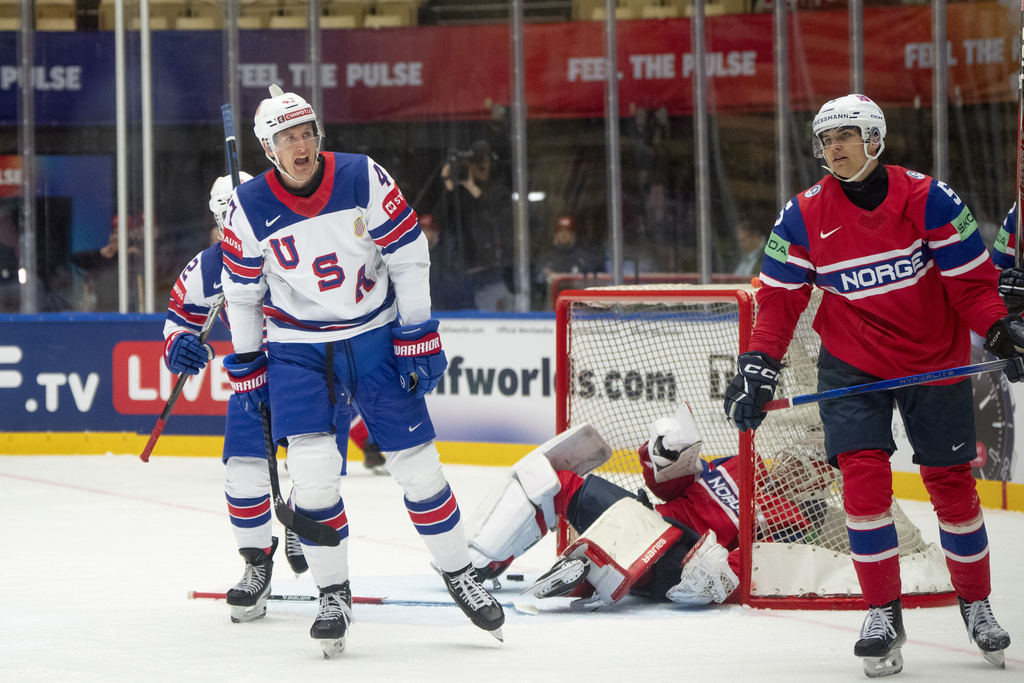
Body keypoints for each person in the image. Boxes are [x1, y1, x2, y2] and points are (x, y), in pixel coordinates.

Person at [721, 94, 1016, 677]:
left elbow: (973, 286)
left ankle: (976, 604)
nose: (834, 148)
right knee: (862, 485)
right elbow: (778, 302)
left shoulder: (929, 198)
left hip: (933, 358)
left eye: (846, 136)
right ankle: (882, 611)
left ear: (875, 140)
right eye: (826, 140)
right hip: (851, 363)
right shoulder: (802, 214)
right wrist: (758, 363)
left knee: (951, 483)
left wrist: (1001, 331)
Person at [219, 85, 504, 658]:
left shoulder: (361, 176)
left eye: (307, 133)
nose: (300, 145)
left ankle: (459, 573)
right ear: (268, 150)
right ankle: (333, 594)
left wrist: (418, 332)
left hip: (373, 337)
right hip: (299, 350)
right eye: (287, 138)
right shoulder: (246, 207)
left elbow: (409, 255)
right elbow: (242, 295)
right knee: (313, 472)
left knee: (419, 467)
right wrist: (248, 363)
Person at [162, 171, 325, 624]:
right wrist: (179, 345)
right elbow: (179, 320)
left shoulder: (298, 240)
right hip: (253, 377)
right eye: (225, 219)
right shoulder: (208, 266)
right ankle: (257, 564)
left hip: (311, 370)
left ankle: (305, 523)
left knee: (316, 470)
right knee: (243, 472)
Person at [465, 407, 814, 609]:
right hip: (647, 522)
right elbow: (671, 486)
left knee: (646, 560)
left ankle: (591, 571)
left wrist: (718, 572)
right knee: (553, 482)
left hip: (680, 559)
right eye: (796, 458)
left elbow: (760, 566)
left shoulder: (792, 519)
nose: (794, 468)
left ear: (815, 486)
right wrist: (661, 455)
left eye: (808, 469)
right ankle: (488, 561)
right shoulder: (744, 465)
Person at [430, 139, 514, 311]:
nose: (480, 167)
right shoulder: (458, 194)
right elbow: (439, 219)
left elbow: (496, 217)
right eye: (475, 163)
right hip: (460, 274)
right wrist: (449, 187)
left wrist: (471, 186)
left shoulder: (499, 191)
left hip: (492, 273)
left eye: (484, 161)